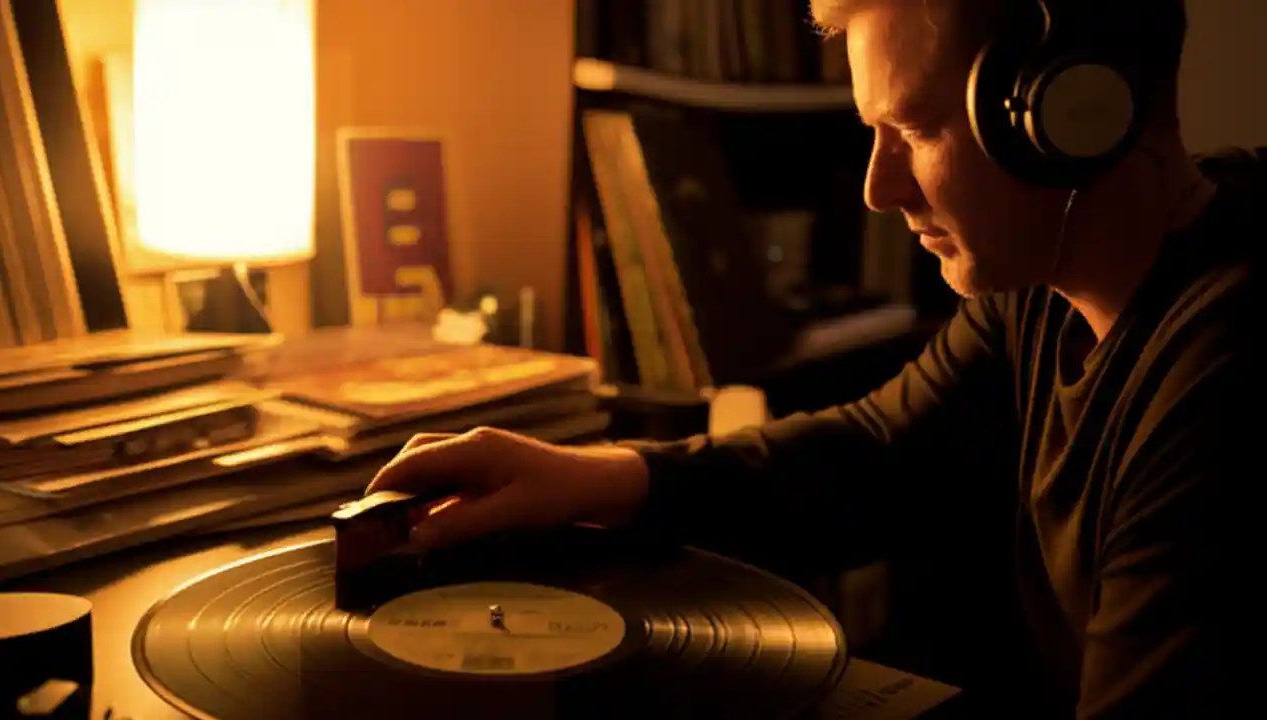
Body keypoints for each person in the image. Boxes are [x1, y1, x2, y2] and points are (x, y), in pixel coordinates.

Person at [367, 0, 1253, 716]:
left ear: (1070, 111)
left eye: (915, 128)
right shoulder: (1045, 282)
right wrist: (591, 476)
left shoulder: (1224, 376)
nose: (878, 187)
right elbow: (880, 451)